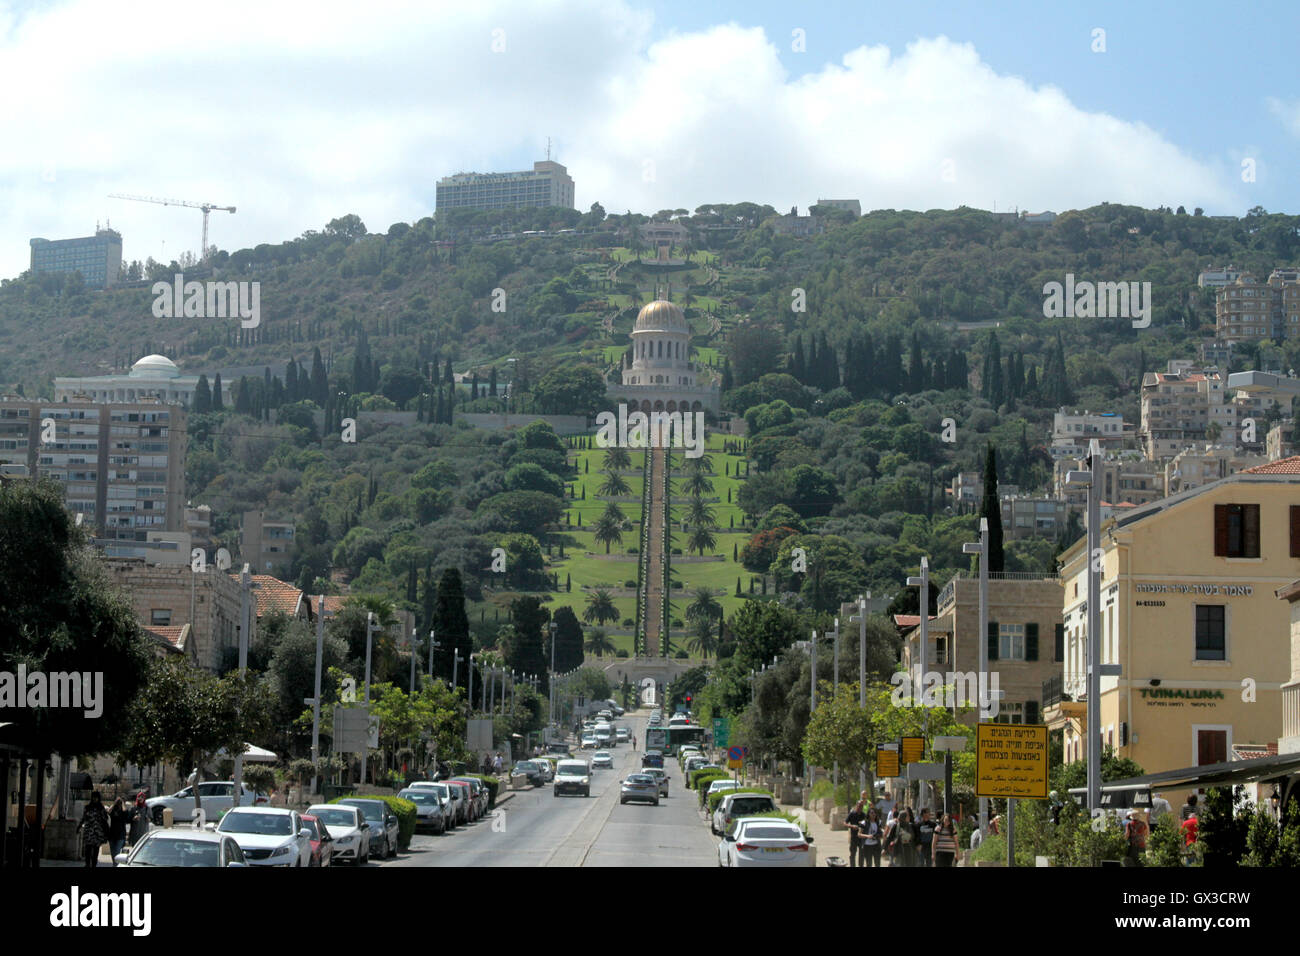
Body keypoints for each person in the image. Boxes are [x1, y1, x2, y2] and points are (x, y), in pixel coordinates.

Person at [77, 791, 109, 868]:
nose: (95, 799)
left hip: (97, 832)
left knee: (95, 850)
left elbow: (105, 819)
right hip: (89, 832)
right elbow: (83, 818)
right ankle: (87, 864)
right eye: (93, 797)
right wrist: (79, 827)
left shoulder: (101, 808)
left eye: (96, 797)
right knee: (87, 849)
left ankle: (94, 864)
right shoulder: (88, 808)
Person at [845, 798, 867, 867]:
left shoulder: (864, 815)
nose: (860, 807)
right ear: (856, 805)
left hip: (861, 838)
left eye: (862, 806)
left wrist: (863, 824)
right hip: (854, 837)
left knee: (862, 854)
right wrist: (852, 826)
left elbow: (867, 824)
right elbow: (845, 823)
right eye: (859, 806)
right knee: (853, 854)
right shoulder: (852, 814)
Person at [107, 797, 129, 865]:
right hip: (112, 835)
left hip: (120, 836)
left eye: (120, 803)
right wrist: (114, 804)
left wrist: (122, 803)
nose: (119, 804)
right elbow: (108, 811)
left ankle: (116, 865)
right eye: (118, 802)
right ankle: (115, 865)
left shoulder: (123, 811)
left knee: (117, 853)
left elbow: (125, 812)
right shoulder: (114, 810)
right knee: (113, 854)